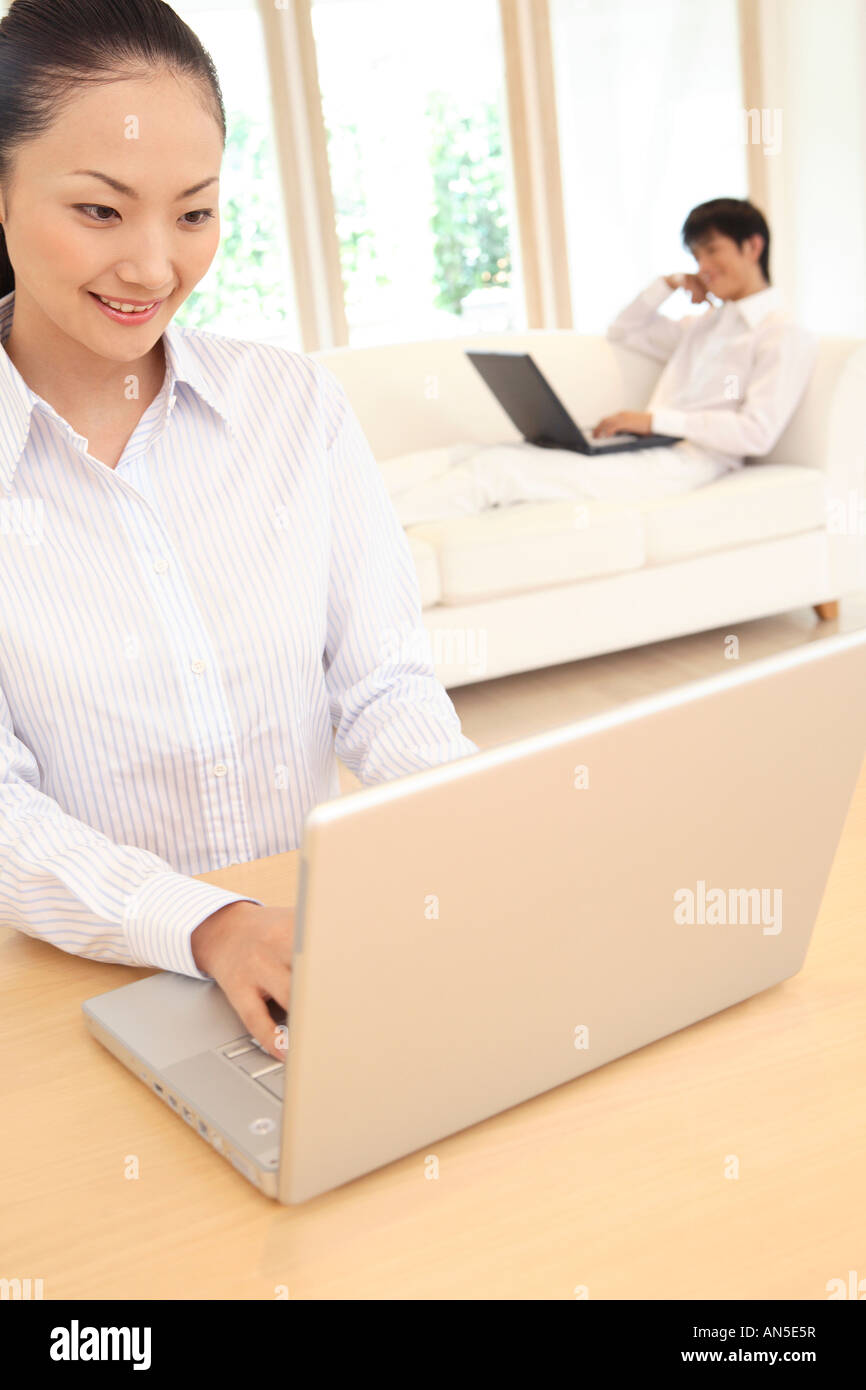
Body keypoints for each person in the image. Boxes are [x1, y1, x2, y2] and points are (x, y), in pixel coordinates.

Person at [0, 0, 477, 1061]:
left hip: (313, 960)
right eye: (100, 210)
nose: (153, 267)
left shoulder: (291, 409)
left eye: (194, 213)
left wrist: (469, 822)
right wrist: (209, 924)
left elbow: (383, 687)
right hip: (86, 990)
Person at [389, 197, 819, 526]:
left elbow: (757, 433)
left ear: (753, 246)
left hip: (683, 464)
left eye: (711, 250)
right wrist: (668, 284)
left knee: (495, 471)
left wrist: (653, 421)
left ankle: (371, 539)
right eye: (695, 256)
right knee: (464, 453)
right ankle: (352, 501)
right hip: (645, 448)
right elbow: (624, 331)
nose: (702, 266)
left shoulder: (782, 334)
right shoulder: (706, 324)